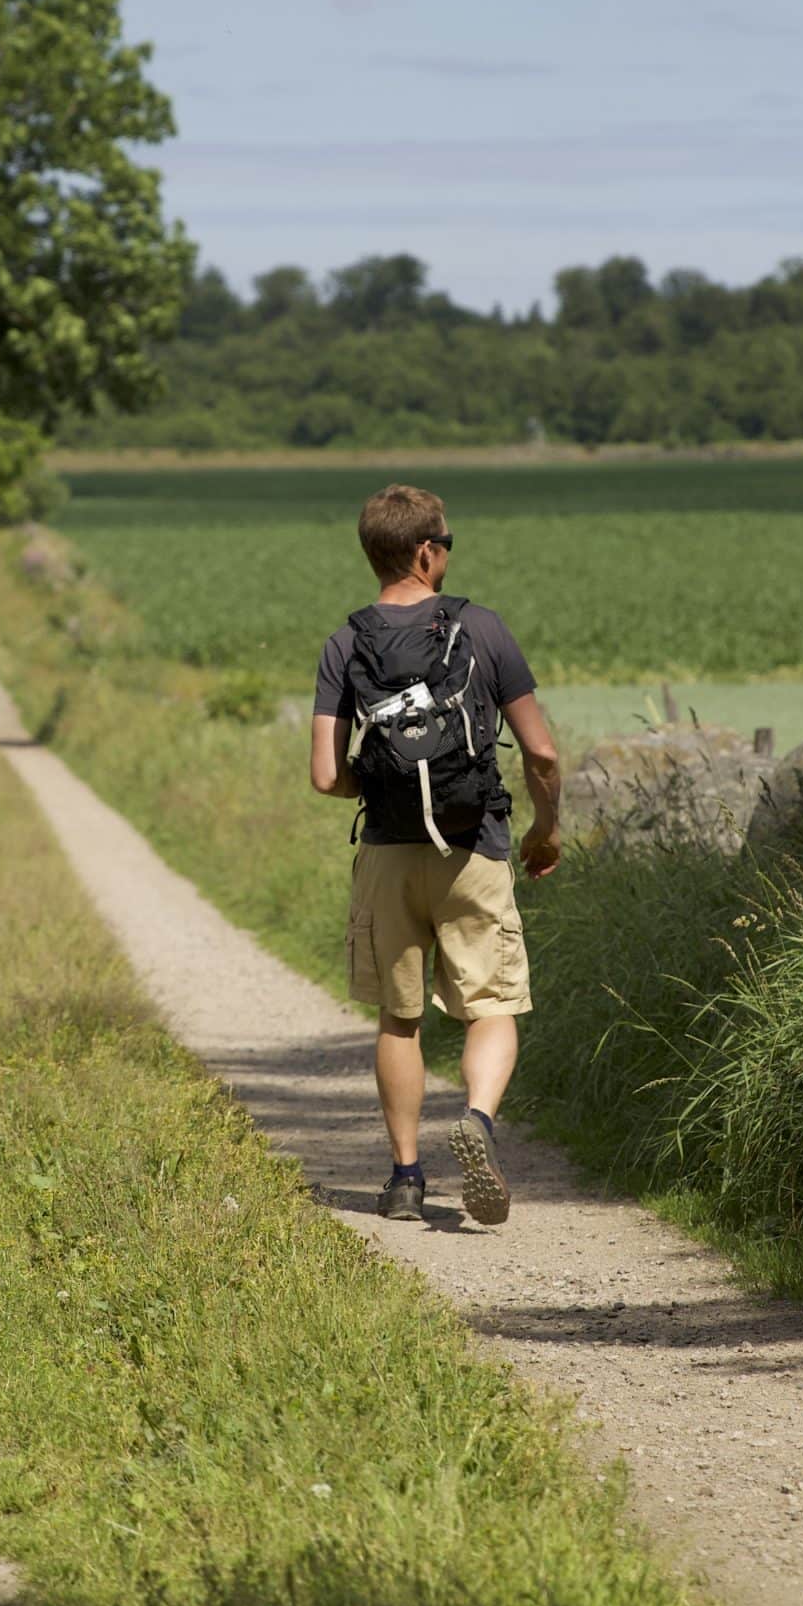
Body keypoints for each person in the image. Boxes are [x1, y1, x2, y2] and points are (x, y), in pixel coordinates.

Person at [309, 482, 561, 1226]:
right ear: (425, 551)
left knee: (400, 1017)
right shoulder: (482, 628)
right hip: (472, 846)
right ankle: (477, 1120)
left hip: (388, 851)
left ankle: (405, 1179)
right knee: (491, 1006)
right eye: (446, 543)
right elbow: (542, 753)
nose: (448, 553)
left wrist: (376, 784)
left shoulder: (346, 642)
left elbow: (324, 775)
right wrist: (546, 829)